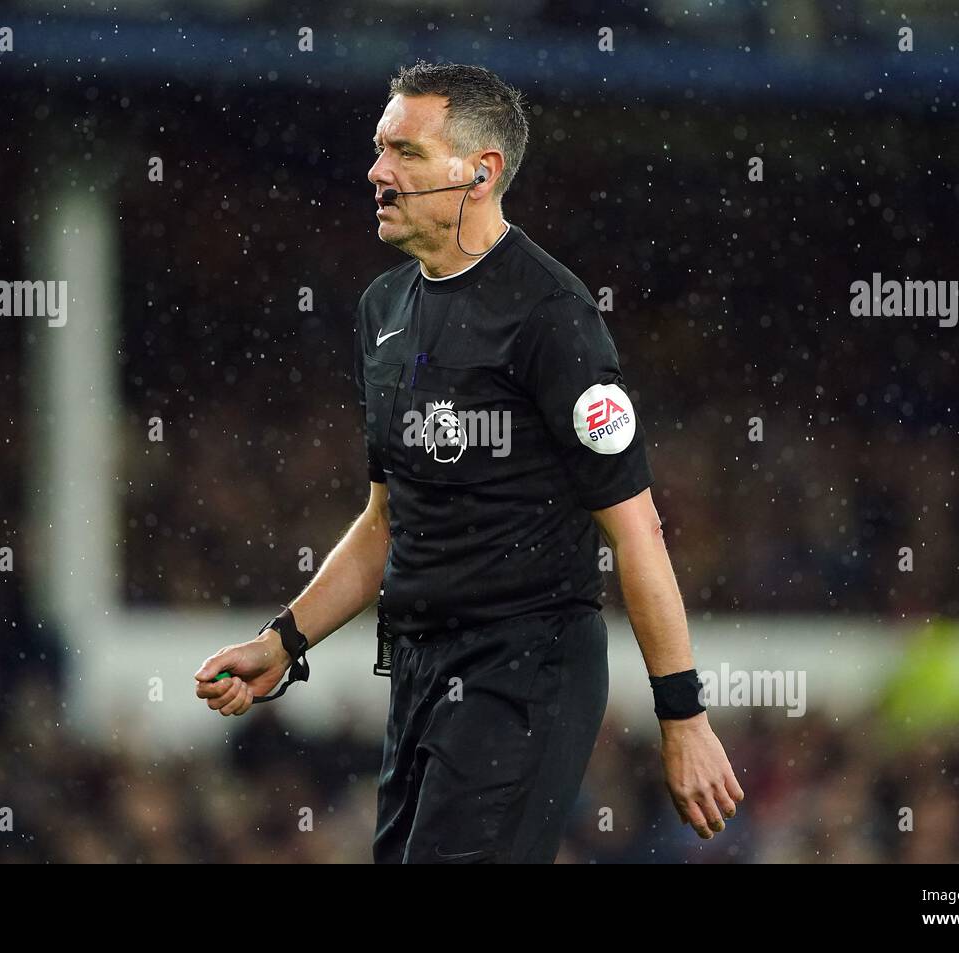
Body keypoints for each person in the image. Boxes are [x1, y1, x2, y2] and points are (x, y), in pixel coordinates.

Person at [195, 60, 744, 863]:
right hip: (419, 672)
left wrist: (684, 715)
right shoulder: (383, 312)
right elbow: (387, 521)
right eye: (381, 148)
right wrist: (284, 640)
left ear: (480, 172)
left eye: (407, 153)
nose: (377, 171)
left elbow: (638, 532)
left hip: (524, 672)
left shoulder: (553, 317)